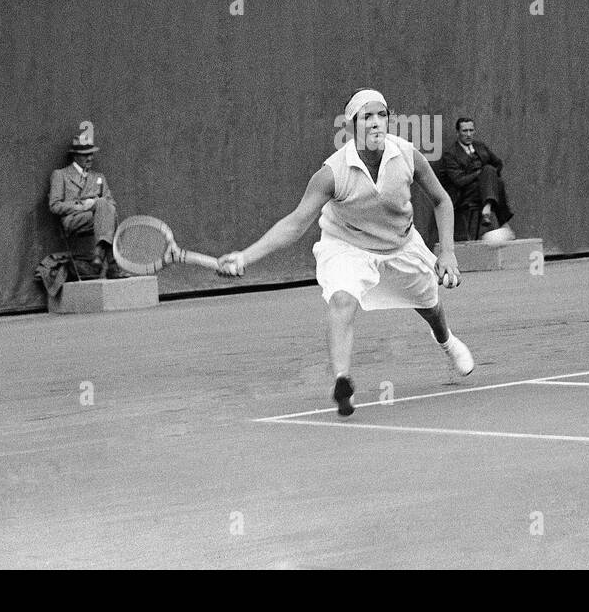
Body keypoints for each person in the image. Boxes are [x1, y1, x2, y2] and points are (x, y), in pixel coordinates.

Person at [214, 89, 471, 417]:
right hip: (347, 245)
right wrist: (244, 257)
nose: (377, 123)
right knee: (342, 299)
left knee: (431, 308)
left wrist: (446, 252)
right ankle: (342, 379)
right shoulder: (332, 173)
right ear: (352, 126)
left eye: (382, 115)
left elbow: (442, 200)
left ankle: (447, 342)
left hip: (401, 245)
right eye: (368, 117)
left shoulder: (407, 155)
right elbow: (295, 225)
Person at [48, 136, 129, 279]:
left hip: (98, 219)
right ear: (75, 156)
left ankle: (100, 252)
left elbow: (112, 204)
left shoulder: (99, 177)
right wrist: (84, 206)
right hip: (74, 220)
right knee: (106, 210)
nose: (90, 158)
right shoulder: (60, 175)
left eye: (91, 154)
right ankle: (110, 262)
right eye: (86, 155)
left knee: (105, 205)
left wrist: (96, 204)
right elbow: (54, 205)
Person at [440, 117, 514, 241]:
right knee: (494, 179)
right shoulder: (450, 154)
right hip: (464, 194)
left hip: (482, 189)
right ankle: (502, 221)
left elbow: (498, 164)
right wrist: (480, 175)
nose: (468, 134)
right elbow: (458, 180)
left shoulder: (480, 146)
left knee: (492, 174)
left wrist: (487, 177)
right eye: (464, 131)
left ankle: (488, 205)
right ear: (457, 133)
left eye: (471, 130)